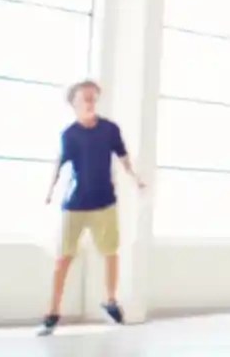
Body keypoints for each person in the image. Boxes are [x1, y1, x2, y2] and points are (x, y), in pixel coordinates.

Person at [39, 80, 145, 336]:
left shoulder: (110, 130)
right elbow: (59, 163)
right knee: (64, 258)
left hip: (105, 203)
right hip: (75, 205)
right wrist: (50, 191)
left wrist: (135, 178)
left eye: (93, 97)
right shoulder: (69, 134)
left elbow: (123, 156)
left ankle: (110, 301)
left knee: (111, 253)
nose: (90, 102)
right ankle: (53, 312)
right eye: (84, 98)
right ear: (74, 103)